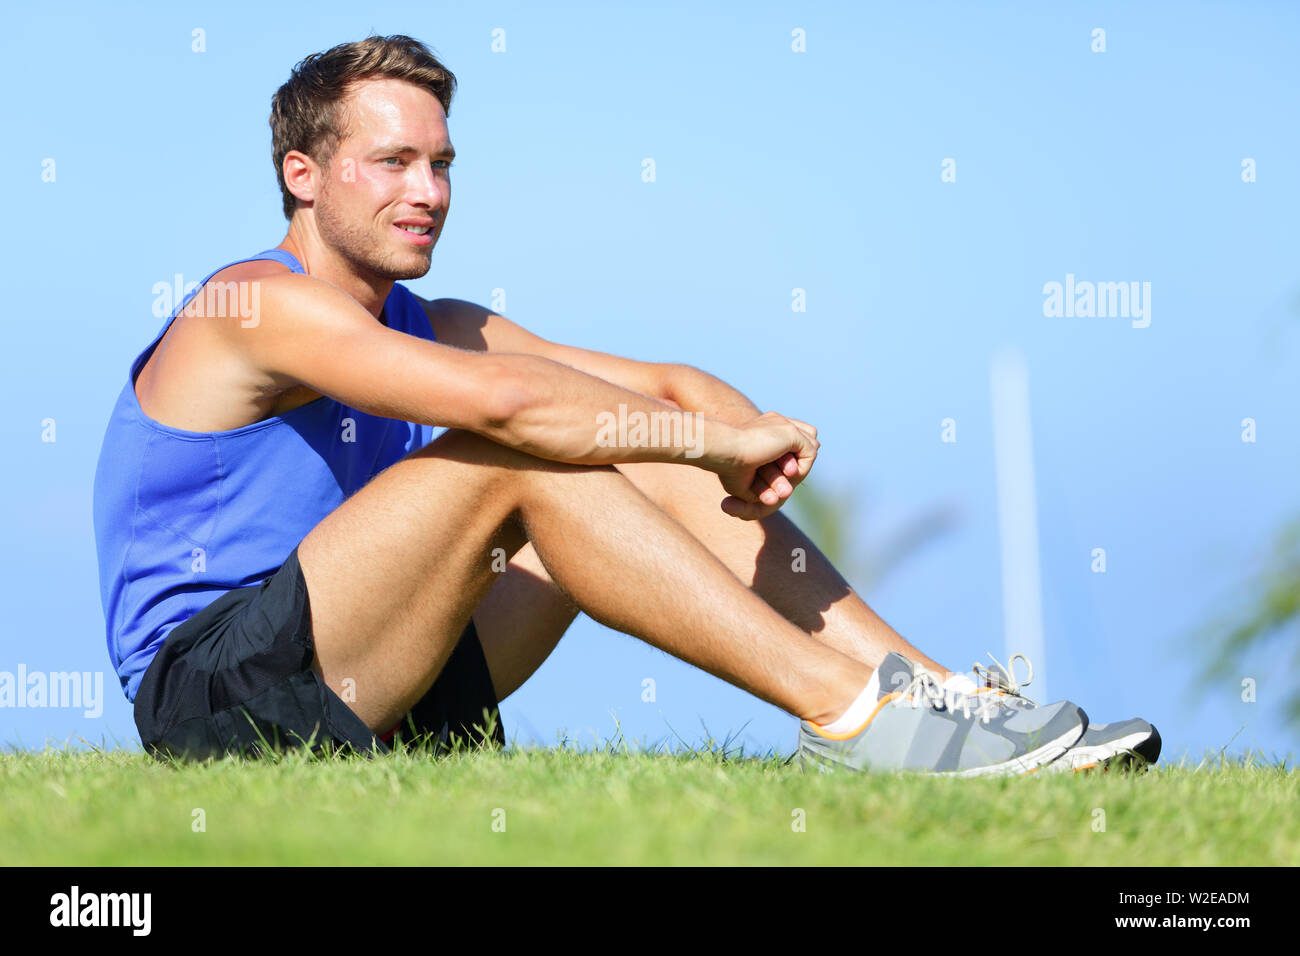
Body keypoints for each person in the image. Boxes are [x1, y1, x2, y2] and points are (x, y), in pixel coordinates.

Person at [92, 34, 1159, 775]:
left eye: (443, 164)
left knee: (634, 443)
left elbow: (660, 389)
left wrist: (737, 444)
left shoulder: (433, 318)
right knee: (520, 455)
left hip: (374, 685)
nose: (429, 191)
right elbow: (514, 409)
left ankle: (938, 699)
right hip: (217, 697)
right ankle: (847, 714)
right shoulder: (258, 305)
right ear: (304, 174)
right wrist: (712, 442)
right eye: (394, 162)